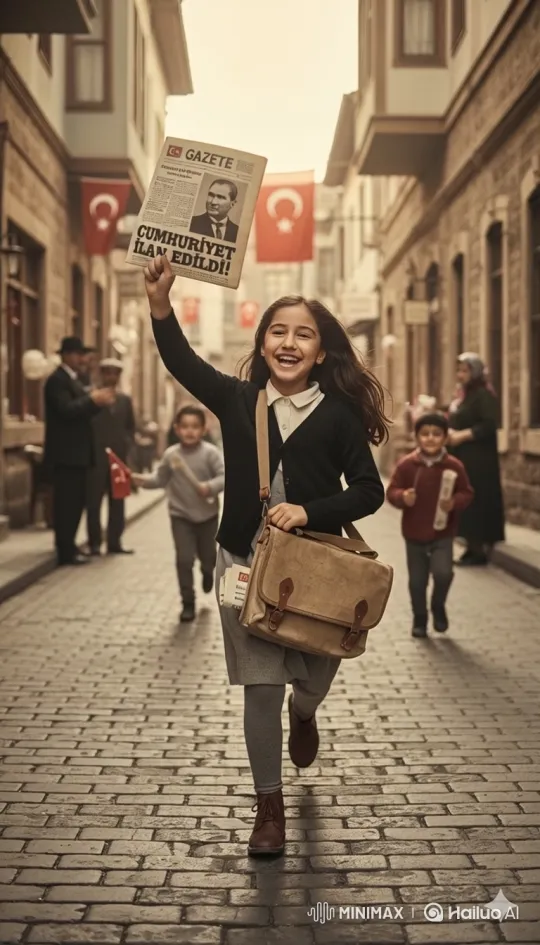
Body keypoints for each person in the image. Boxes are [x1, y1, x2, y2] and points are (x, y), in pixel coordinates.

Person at [143, 252, 388, 858]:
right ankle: (269, 808)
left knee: (315, 675)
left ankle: (306, 715)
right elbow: (180, 361)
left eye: (303, 333)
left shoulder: (338, 414)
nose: (288, 342)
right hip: (243, 561)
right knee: (261, 686)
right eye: (278, 331)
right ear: (263, 342)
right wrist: (159, 304)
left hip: (317, 570)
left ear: (320, 351)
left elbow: (369, 490)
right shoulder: (235, 398)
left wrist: (310, 511)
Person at [133, 406, 225, 623]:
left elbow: (224, 477)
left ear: (204, 429)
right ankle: (188, 603)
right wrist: (142, 481)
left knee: (209, 557)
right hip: (180, 515)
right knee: (184, 560)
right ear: (177, 429)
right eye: (184, 427)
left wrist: (209, 487)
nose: (189, 431)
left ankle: (206, 572)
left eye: (195, 427)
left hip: (207, 517)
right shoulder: (171, 455)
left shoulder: (210, 453)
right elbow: (160, 479)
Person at [386, 413, 474, 638]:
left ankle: (438, 605)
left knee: (443, 573)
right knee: (417, 582)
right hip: (414, 533)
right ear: (416, 437)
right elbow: (392, 491)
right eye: (425, 434)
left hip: (442, 532)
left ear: (445, 438)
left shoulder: (454, 466)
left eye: (437, 434)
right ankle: (420, 618)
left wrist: (454, 502)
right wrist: (402, 496)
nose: (430, 439)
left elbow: (467, 492)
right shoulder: (407, 465)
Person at [44, 336, 114, 566]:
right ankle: (65, 550)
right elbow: (67, 410)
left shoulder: (73, 379)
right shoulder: (57, 380)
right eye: (77, 354)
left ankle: (70, 546)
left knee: (75, 505)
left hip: (78, 455)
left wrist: (96, 403)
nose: (81, 359)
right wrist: (92, 400)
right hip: (66, 456)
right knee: (66, 505)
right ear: (66, 355)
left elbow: (81, 412)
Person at [447, 352, 505, 566]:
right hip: (464, 457)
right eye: (459, 370)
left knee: (478, 500)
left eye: (465, 371)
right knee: (467, 500)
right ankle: (471, 547)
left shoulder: (483, 395)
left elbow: (489, 425)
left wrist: (462, 435)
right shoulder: (463, 395)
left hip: (479, 460)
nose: (460, 375)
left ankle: (478, 549)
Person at [86, 358, 136, 556]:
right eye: (107, 373)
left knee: (118, 501)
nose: (111, 377)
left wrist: (125, 445)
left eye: (115, 373)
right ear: (101, 375)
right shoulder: (92, 398)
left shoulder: (125, 400)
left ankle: (115, 542)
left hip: (118, 459)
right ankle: (94, 543)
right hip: (95, 458)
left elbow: (130, 427)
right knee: (94, 502)